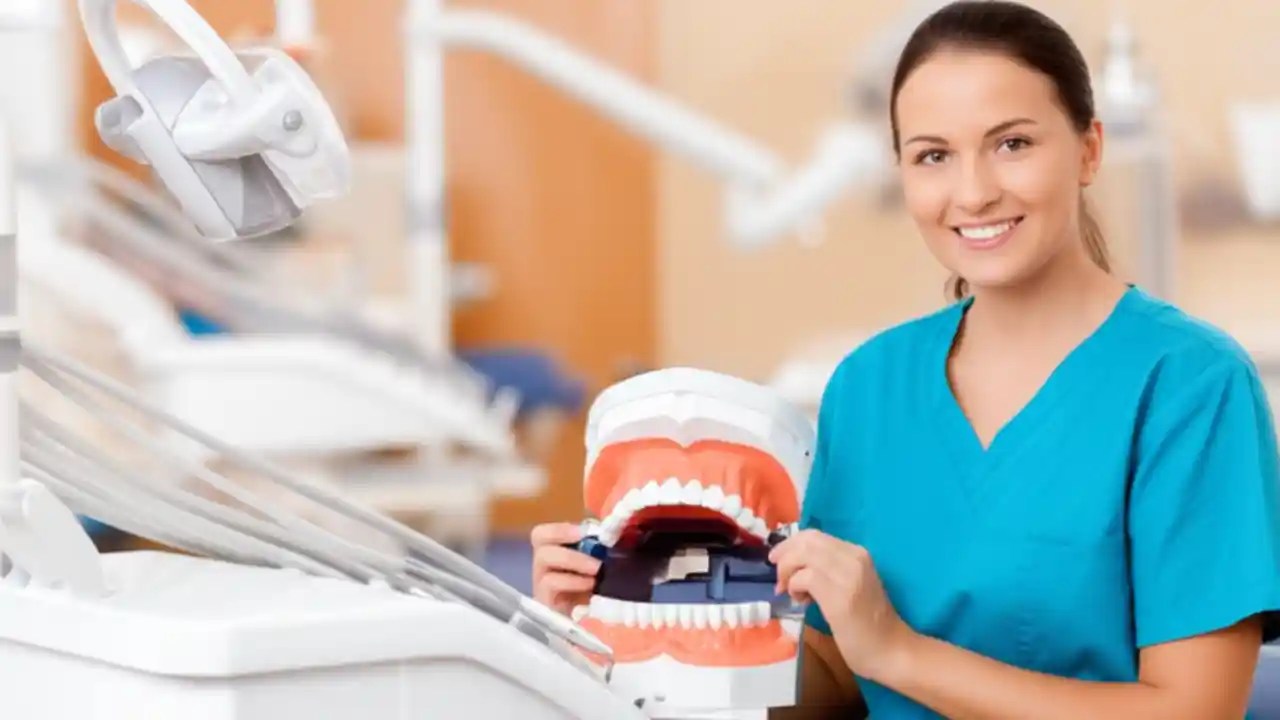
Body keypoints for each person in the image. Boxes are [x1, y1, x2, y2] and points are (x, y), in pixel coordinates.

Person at [530, 1, 1280, 717]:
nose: (974, 192)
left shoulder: (1190, 387)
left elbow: (1193, 709)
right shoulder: (870, 386)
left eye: (1012, 143)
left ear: (1089, 149)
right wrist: (614, 632)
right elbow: (834, 675)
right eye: (933, 156)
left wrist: (900, 653)